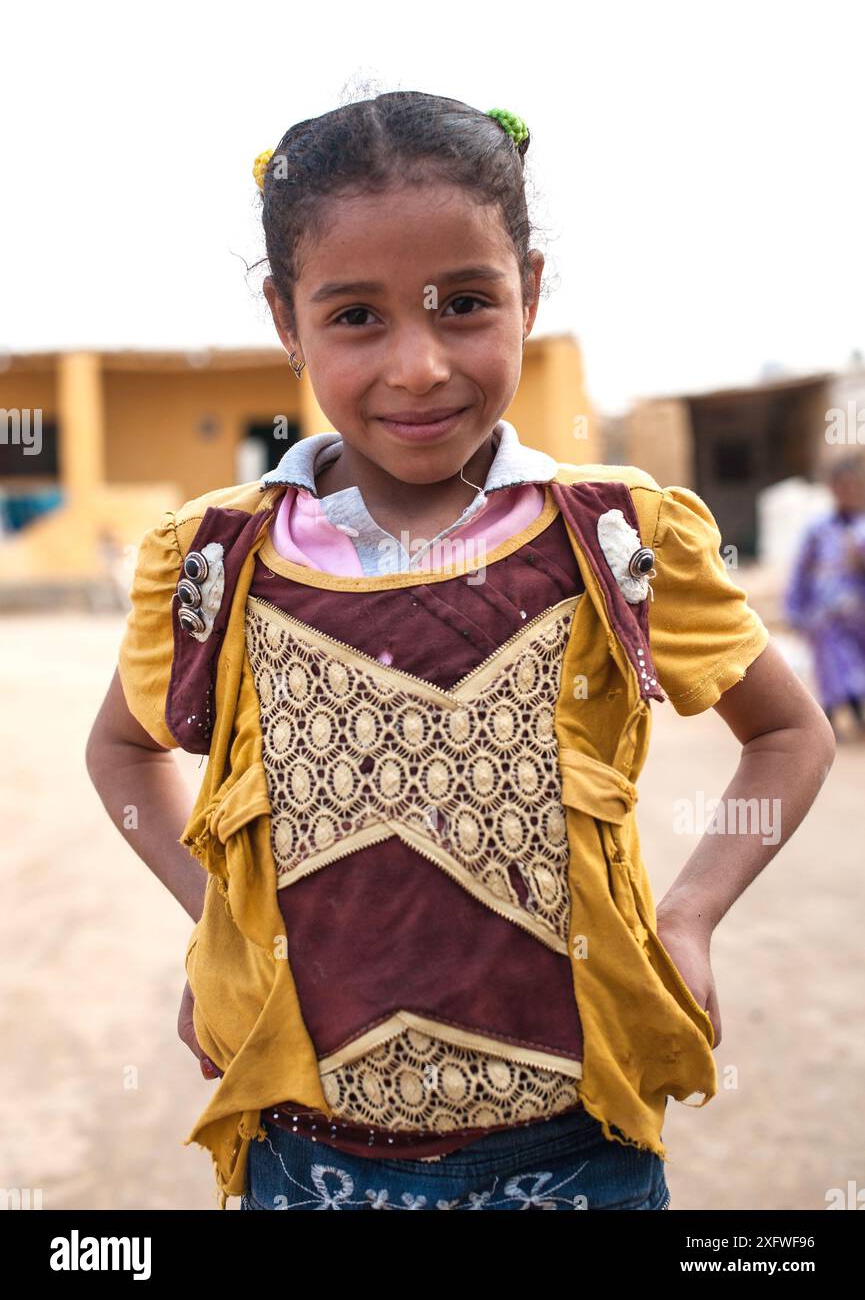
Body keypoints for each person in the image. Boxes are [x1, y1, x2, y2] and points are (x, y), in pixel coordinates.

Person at [86, 92, 836, 1211]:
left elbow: (785, 731)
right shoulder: (214, 561)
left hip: (580, 1146)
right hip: (311, 1157)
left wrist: (687, 915)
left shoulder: (616, 537)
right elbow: (119, 751)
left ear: (529, 291)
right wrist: (222, 927)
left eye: (466, 304)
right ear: (285, 320)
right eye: (355, 318)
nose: (421, 365)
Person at [784, 455, 865, 738]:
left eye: (852, 487)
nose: (847, 493)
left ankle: (855, 718)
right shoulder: (818, 530)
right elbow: (800, 572)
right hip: (825, 618)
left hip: (859, 618)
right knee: (831, 672)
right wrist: (794, 609)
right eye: (841, 487)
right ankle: (826, 726)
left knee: (857, 670)